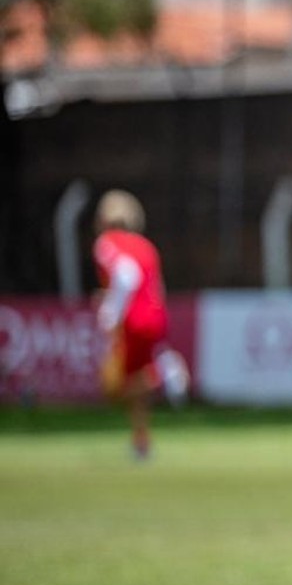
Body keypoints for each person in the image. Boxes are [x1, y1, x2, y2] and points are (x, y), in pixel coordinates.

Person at [93, 189, 188, 460]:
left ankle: (164, 370)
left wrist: (110, 312)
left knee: (113, 387)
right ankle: (141, 443)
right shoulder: (146, 246)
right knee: (135, 385)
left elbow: (125, 276)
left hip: (132, 321)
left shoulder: (107, 243)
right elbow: (155, 286)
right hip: (155, 317)